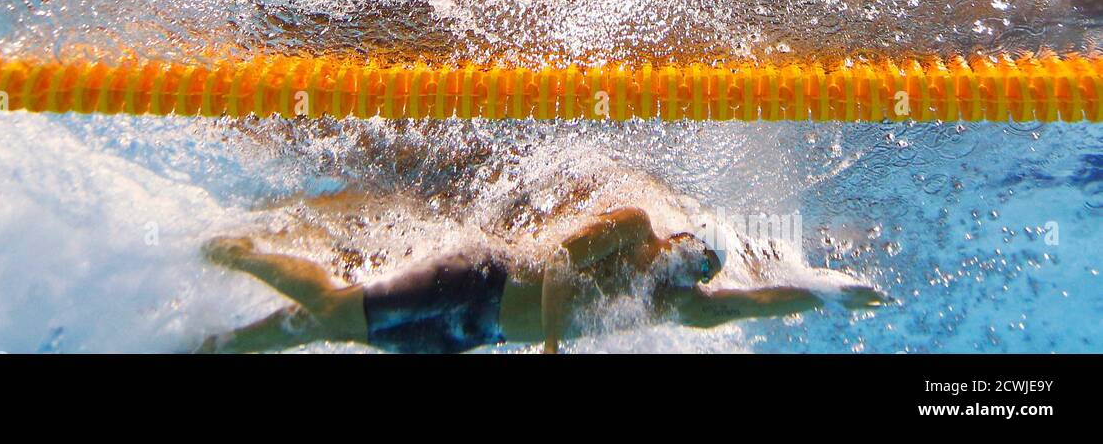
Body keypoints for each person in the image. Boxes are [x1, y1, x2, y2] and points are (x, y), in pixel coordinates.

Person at [194, 206, 884, 354]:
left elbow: (759, 301)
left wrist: (829, 290)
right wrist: (553, 342)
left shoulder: (678, 306)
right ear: (677, 237)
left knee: (351, 332)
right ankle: (236, 257)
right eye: (692, 255)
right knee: (338, 310)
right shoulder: (630, 227)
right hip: (477, 280)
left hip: (484, 328)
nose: (691, 272)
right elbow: (555, 262)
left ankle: (224, 337)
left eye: (703, 273)